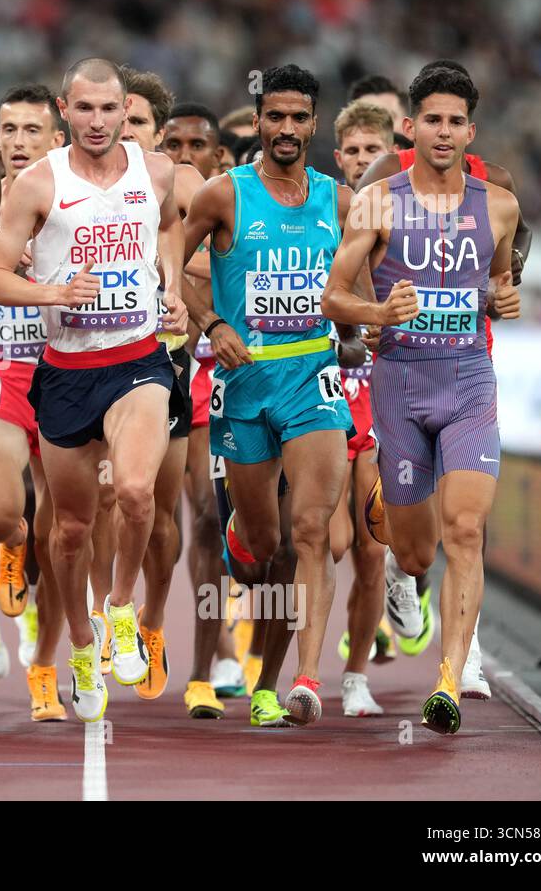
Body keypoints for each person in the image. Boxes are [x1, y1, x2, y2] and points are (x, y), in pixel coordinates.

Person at [0, 57, 196, 723]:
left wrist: (173, 284)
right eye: (85, 110)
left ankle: (122, 605)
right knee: (69, 529)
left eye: (110, 109)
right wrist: (53, 290)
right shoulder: (38, 185)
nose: (98, 122)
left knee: (134, 492)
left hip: (138, 362)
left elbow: (170, 226)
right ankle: (80, 641)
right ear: (64, 112)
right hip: (66, 371)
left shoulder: (154, 171)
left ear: (124, 109)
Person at [324, 65, 521, 735]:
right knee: (413, 553)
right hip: (400, 383)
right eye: (430, 119)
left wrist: (503, 297)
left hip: (467, 381)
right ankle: (397, 531)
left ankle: (448, 682)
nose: (443, 131)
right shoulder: (376, 201)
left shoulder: (499, 205)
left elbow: (497, 283)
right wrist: (379, 309)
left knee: (466, 529)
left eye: (455, 121)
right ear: (410, 126)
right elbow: (333, 297)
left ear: (471, 130)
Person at [180, 65, 364, 727]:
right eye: (275, 117)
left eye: (298, 118)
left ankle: (299, 678)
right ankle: (241, 533)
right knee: (259, 549)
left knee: (305, 535)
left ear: (314, 123)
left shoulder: (339, 203)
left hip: (312, 385)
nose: (287, 129)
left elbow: (359, 292)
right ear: (259, 121)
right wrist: (212, 323)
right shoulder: (222, 196)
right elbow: (168, 259)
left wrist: (357, 326)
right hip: (243, 390)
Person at [0, 82, 68, 720]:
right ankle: (12, 549)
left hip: (64, 380)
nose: (18, 142)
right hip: (3, 376)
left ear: (56, 142)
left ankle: (43, 667)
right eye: (9, 131)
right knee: (2, 514)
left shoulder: (77, 203)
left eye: (33, 131)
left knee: (63, 538)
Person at [162, 101, 250, 714]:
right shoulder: (144, 206)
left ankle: (223, 661)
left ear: (218, 158)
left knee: (226, 524)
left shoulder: (230, 206)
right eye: (174, 146)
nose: (184, 156)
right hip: (175, 371)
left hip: (235, 371)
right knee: (182, 521)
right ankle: (197, 650)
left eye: (198, 146)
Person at [116, 67, 196, 705]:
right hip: (90, 360)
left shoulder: (186, 184)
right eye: (119, 118)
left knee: (158, 512)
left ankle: (152, 619)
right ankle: (104, 622)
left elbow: (210, 264)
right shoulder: (72, 176)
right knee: (99, 506)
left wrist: (184, 299)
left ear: (159, 133)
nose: (124, 131)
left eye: (138, 122)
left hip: (167, 361)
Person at [328, 99, 398, 716]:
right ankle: (298, 667)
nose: (360, 162)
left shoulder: (401, 220)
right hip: (321, 392)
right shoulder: (321, 210)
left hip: (378, 400)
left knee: (372, 546)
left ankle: (355, 677)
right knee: (328, 540)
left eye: (371, 151)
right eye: (350, 151)